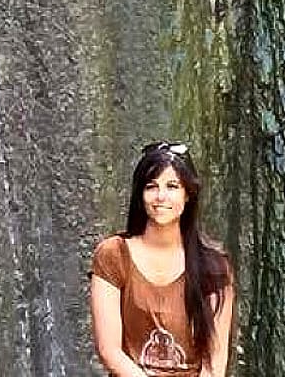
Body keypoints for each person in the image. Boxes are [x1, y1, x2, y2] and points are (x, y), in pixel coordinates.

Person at [89, 141, 235, 376]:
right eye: (151, 186)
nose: (161, 196)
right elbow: (109, 351)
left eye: (172, 186)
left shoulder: (214, 267)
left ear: (188, 194)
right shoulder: (113, 255)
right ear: (140, 194)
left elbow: (215, 364)